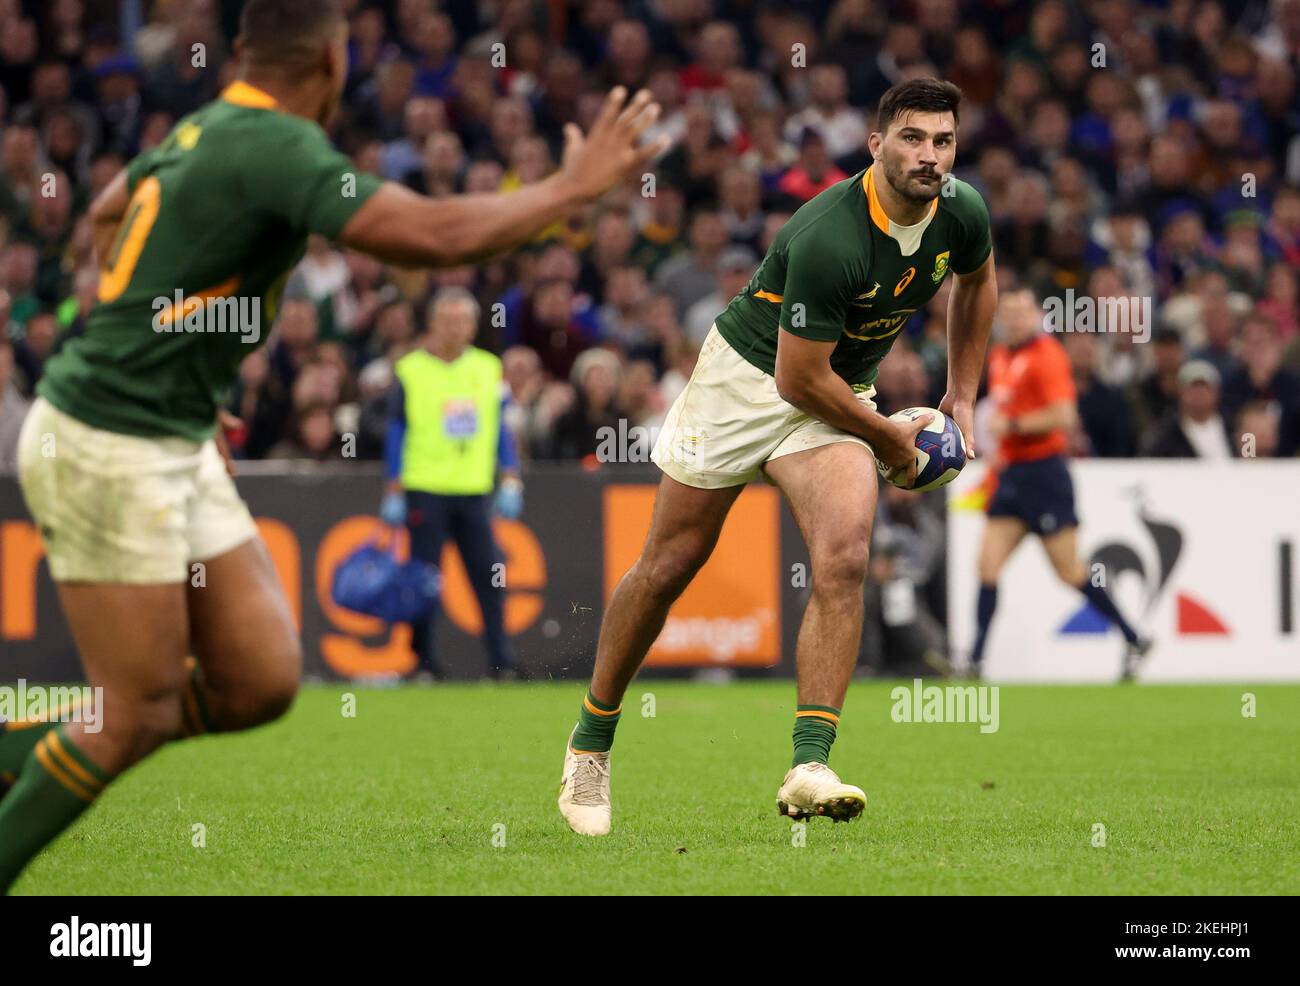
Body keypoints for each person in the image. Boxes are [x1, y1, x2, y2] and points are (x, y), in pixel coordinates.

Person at [0, 0, 666, 891]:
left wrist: (178, 372)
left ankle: (17, 751)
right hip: (107, 438)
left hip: (166, 433)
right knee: (135, 712)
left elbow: (110, 214)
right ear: (334, 61)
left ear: (245, 52)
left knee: (259, 681)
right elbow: (429, 238)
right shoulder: (279, 147)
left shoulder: (208, 128)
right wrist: (571, 188)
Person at [556, 78, 999, 836]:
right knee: (669, 564)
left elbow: (979, 281)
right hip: (743, 381)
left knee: (845, 557)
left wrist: (962, 391)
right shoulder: (829, 234)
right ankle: (591, 742)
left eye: (943, 140)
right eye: (913, 138)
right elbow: (795, 378)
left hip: (838, 390)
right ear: (876, 144)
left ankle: (809, 764)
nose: (930, 155)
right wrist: (889, 436)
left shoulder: (962, 209)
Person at [971, 288, 1151, 682]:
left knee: (1069, 572)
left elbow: (1064, 416)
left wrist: (1014, 426)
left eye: (1023, 312)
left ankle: (1133, 636)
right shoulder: (1002, 356)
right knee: (987, 566)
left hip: (1045, 474)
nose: (1016, 319)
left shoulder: (1047, 356)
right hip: (1012, 474)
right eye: (1010, 312)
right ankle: (974, 660)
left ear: (1036, 316)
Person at [381, 287, 523, 680]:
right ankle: (423, 662)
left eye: (462, 320)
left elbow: (500, 428)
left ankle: (501, 661)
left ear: (474, 325)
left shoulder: (488, 368)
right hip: (424, 488)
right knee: (425, 582)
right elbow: (397, 430)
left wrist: (510, 475)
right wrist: (393, 485)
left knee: (489, 575)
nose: (455, 328)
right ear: (432, 324)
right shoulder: (410, 370)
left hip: (473, 488)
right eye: (447, 320)